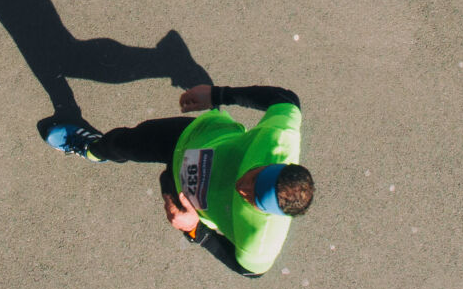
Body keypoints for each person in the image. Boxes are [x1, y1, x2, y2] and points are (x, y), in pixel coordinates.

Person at [42, 83, 310, 277]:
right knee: (123, 142)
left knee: (163, 179)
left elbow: (248, 270)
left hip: (184, 195)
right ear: (275, 163)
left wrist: (195, 231)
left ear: (269, 213)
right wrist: (218, 94)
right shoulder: (279, 138)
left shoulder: (262, 240)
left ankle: (110, 152)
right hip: (194, 137)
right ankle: (93, 149)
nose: (243, 188)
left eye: (253, 199)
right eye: (254, 176)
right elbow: (287, 98)